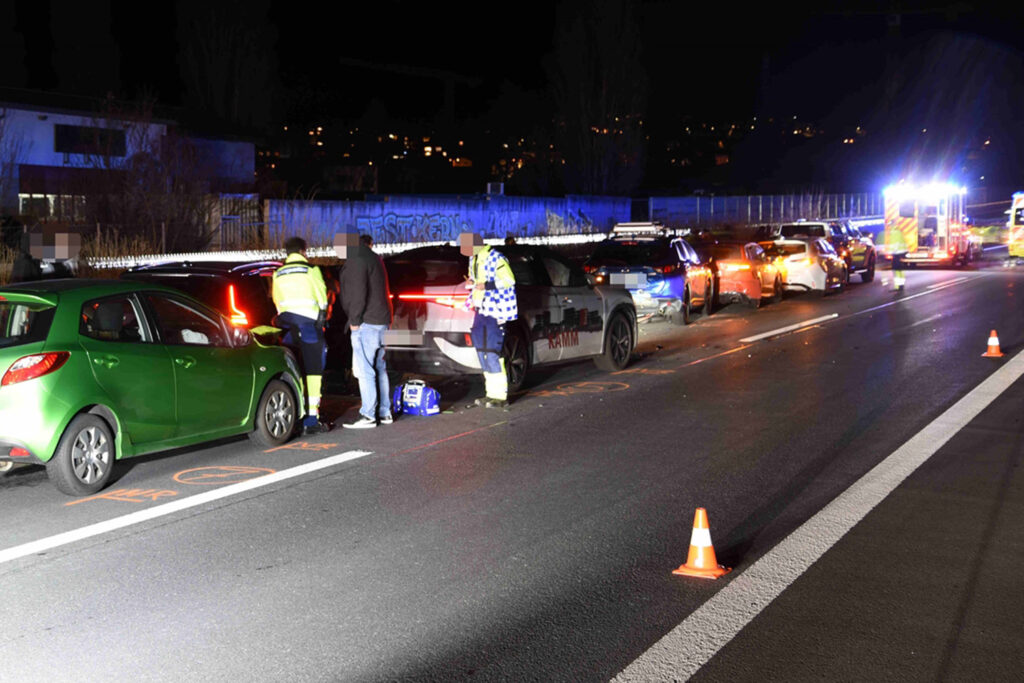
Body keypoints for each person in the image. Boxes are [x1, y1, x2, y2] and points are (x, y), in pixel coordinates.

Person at [272, 236, 332, 434]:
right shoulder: (311, 270)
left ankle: (295, 414)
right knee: (313, 371)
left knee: (294, 370)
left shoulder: (278, 273)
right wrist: (322, 314)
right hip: (309, 328)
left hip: (288, 328)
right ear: (303, 251)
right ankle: (311, 419)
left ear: (287, 252)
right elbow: (322, 297)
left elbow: (277, 301)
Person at [337, 231, 394, 428]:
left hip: (366, 323)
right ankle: (385, 412)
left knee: (364, 370)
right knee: (380, 368)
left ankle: (368, 415)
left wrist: (354, 320)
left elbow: (357, 293)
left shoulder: (356, 260)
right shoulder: (375, 258)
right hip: (382, 320)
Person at [461, 232, 518, 409]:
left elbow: (509, 280)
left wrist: (486, 285)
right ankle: (491, 394)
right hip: (480, 310)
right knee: (482, 352)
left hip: (495, 311)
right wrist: (472, 282)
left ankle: (500, 396)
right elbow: (476, 280)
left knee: (492, 352)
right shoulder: (474, 259)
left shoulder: (496, 257)